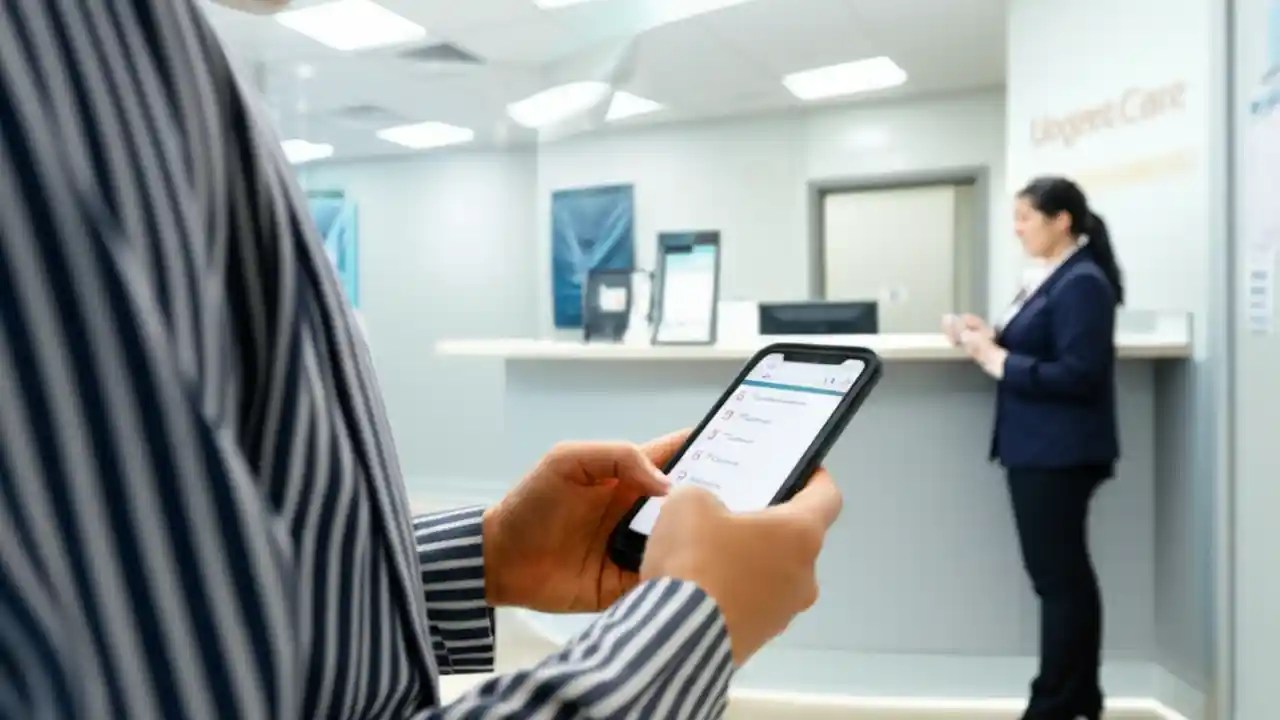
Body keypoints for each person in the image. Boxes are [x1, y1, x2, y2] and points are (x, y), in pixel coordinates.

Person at [0, 1, 843, 718]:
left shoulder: (142, 48)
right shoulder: (46, 63)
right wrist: (688, 629)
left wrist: (485, 557)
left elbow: (204, 609)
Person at [945, 176, 1122, 720]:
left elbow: (1079, 374)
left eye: (1025, 217)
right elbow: (1040, 346)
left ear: (1060, 219)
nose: (1017, 228)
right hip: (1040, 448)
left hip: (1059, 452)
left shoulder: (1082, 283)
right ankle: (1079, 699)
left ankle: (1054, 703)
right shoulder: (1056, 279)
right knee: (1062, 579)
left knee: (1060, 581)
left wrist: (993, 358)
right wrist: (985, 336)